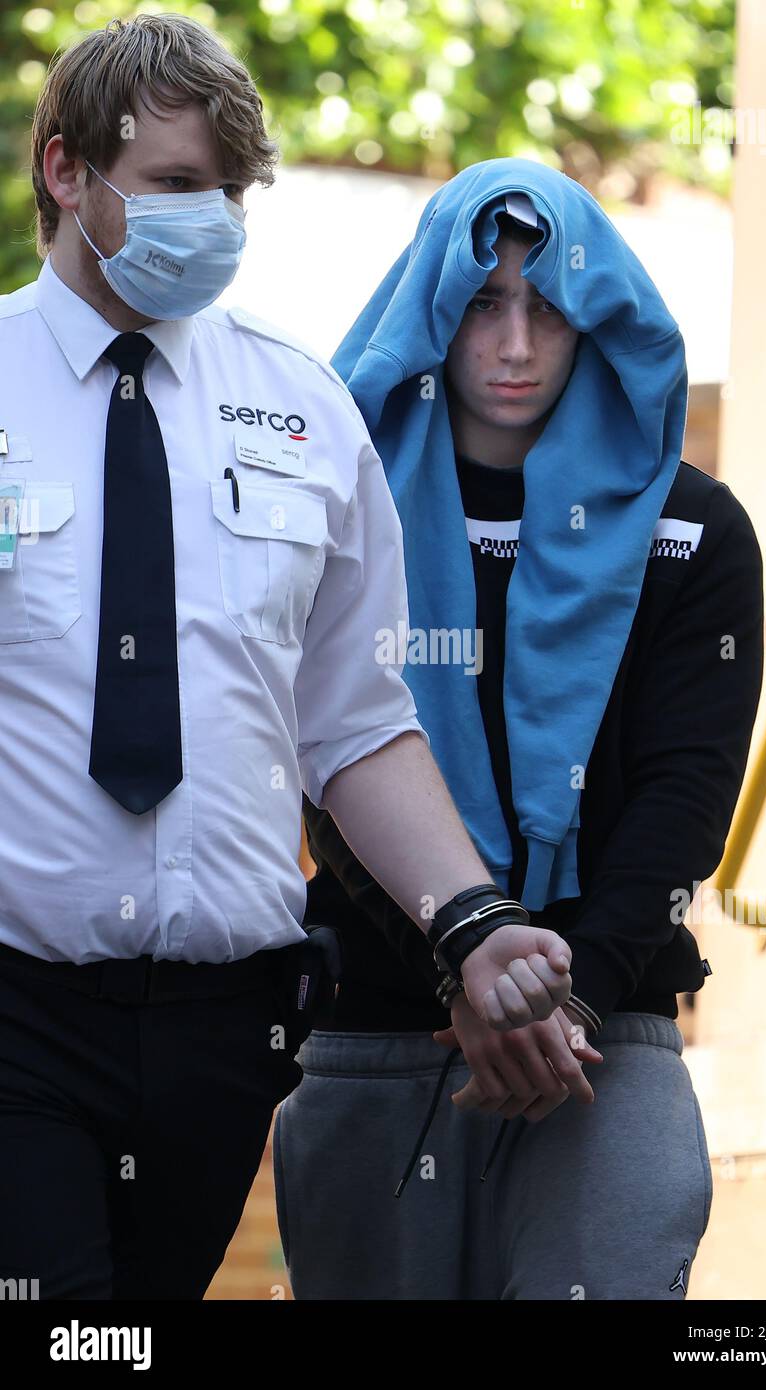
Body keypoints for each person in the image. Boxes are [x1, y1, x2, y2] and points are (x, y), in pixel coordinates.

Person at [0, 26, 574, 1302]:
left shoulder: (306, 411)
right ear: (64, 172)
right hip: (19, 1011)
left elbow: (357, 722)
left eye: (231, 192)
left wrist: (471, 921)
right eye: (172, 184)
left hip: (225, 1029)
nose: (210, 220)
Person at [273, 159, 765, 1300]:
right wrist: (464, 974)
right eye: (483, 303)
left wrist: (567, 998)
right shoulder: (338, 513)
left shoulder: (692, 526)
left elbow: (684, 807)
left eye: (547, 307)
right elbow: (326, 767)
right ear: (432, 310)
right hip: (383, 1020)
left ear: (596, 316)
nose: (513, 343)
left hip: (608, 1029)